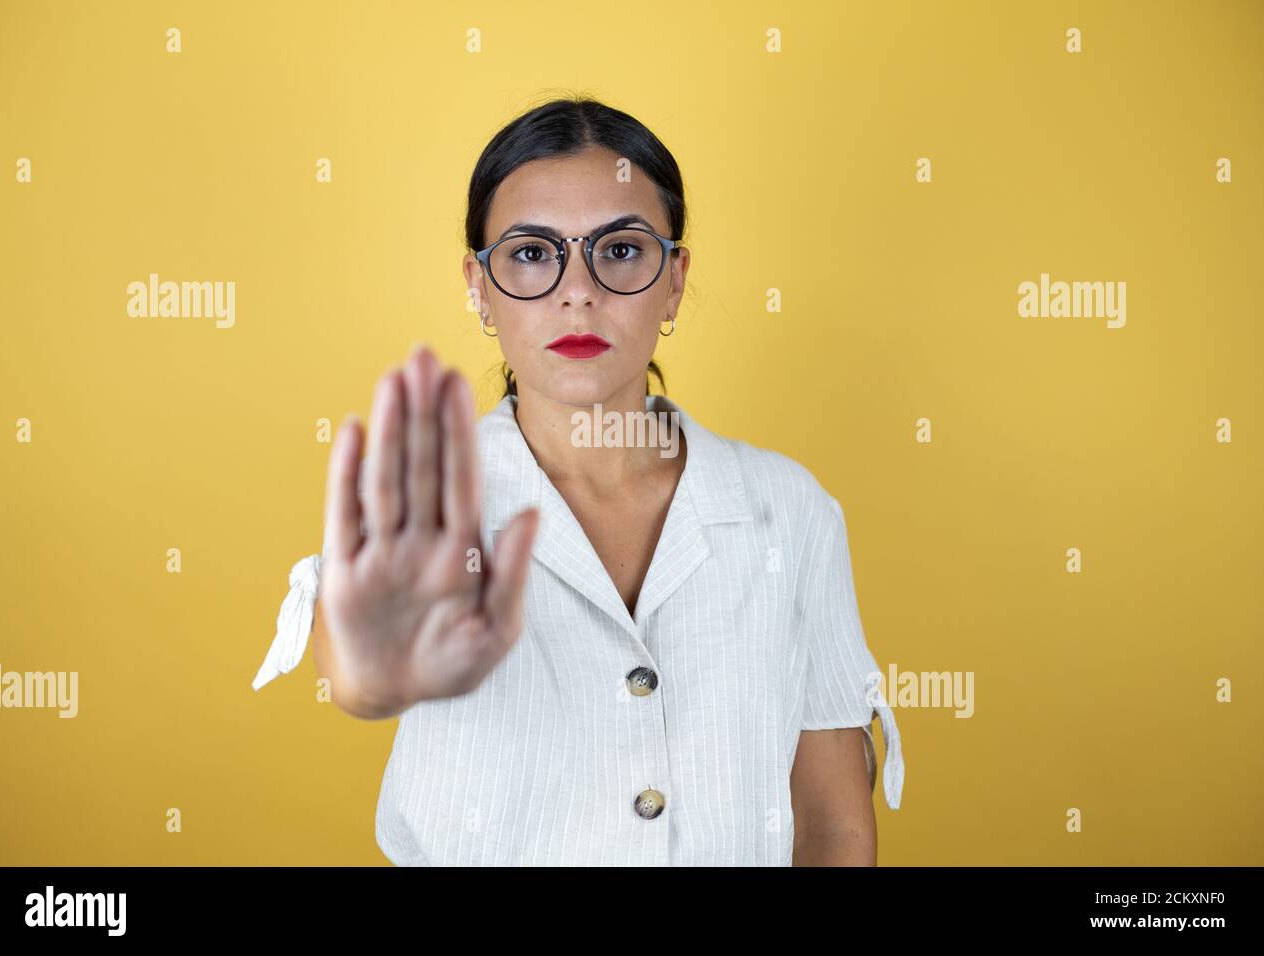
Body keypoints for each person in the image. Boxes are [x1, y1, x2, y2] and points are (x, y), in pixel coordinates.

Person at [252, 96, 904, 866]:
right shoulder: (420, 500)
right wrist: (372, 663)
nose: (578, 291)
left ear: (674, 279)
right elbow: (360, 674)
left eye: (621, 250)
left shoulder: (788, 510)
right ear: (478, 286)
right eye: (531, 254)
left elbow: (830, 824)